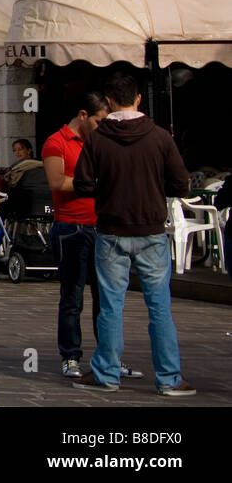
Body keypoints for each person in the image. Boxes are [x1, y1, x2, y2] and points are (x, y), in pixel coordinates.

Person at [72, 73, 195, 396]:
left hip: (111, 228)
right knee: (159, 306)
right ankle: (169, 378)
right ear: (138, 99)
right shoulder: (159, 137)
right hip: (151, 228)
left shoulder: (98, 139)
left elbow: (83, 184)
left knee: (111, 305)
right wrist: (156, 189)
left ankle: (107, 373)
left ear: (109, 101)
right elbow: (181, 184)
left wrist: (107, 189)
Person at [43, 93, 123, 379]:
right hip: (71, 227)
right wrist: (94, 185)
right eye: (99, 121)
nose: (103, 127)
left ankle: (108, 358)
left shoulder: (101, 142)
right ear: (82, 115)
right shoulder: (57, 142)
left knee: (106, 297)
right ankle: (70, 356)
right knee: (72, 296)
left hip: (103, 226)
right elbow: (56, 181)